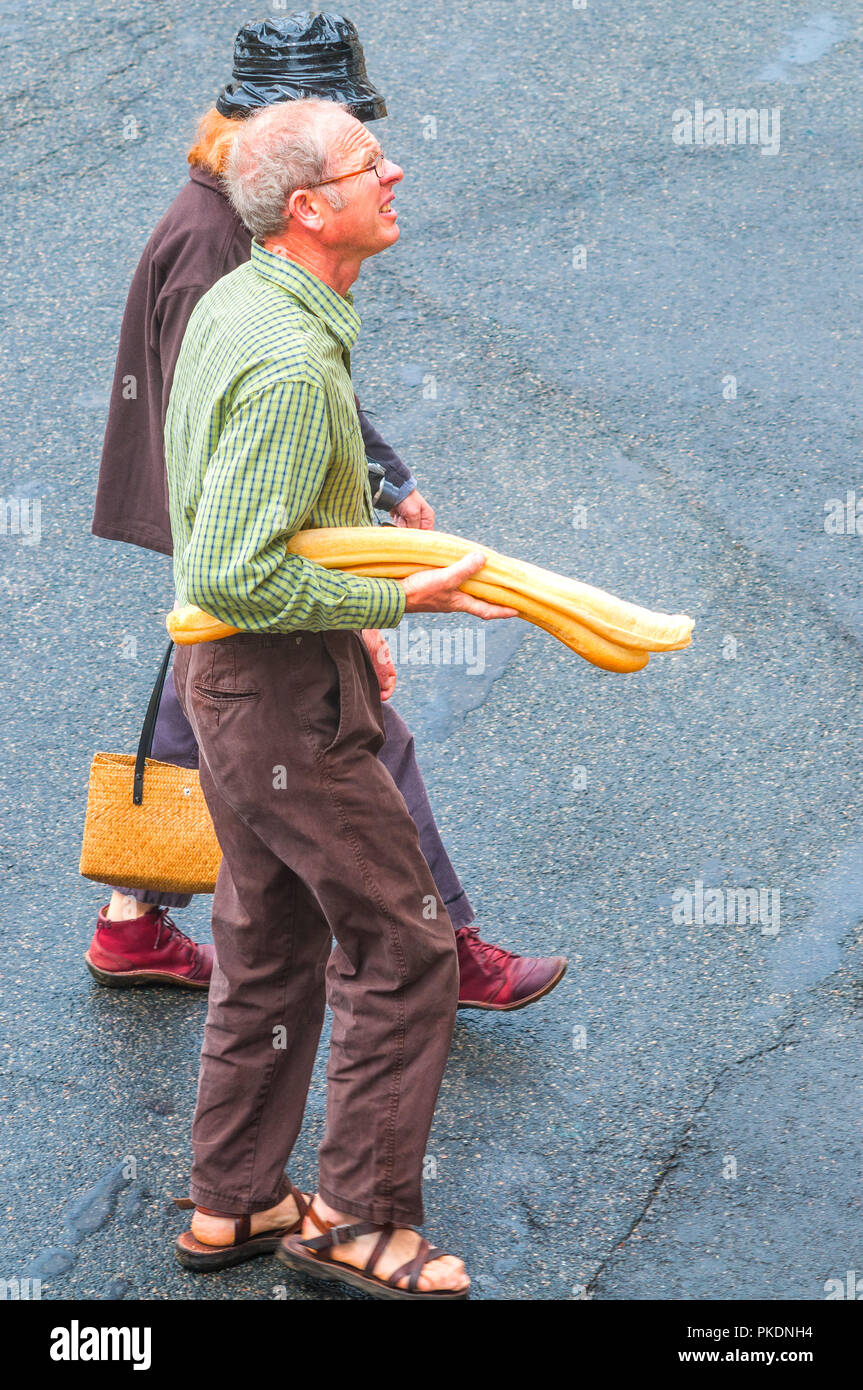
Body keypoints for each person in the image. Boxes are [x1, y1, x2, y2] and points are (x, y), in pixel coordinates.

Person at [88, 12, 566, 1011]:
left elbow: (310, 378)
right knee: (352, 719)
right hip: (244, 515)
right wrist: (354, 595)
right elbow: (249, 417)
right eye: (335, 118)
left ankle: (132, 918)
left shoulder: (235, 208)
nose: (356, 151)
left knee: (207, 697)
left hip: (247, 515)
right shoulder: (219, 234)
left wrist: (382, 478)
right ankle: (449, 945)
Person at [168, 96, 519, 1297]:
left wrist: (365, 550)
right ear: (309, 209)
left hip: (234, 684)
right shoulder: (282, 358)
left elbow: (247, 521)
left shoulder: (251, 300)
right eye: (373, 165)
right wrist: (393, 603)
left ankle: (238, 1200)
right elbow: (232, 566)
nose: (398, 171)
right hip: (276, 695)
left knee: (268, 939)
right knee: (404, 938)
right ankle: (362, 1223)